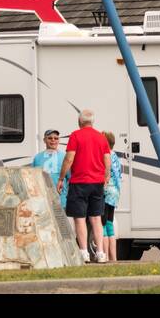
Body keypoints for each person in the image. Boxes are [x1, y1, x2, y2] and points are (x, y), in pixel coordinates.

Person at [57, 109, 111, 264]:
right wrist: (105, 177)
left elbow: (69, 158)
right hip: (97, 183)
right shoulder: (101, 138)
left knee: (79, 218)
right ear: (92, 122)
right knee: (96, 218)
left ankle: (84, 252)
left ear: (79, 122)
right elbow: (107, 160)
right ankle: (100, 253)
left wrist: (61, 178)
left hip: (79, 182)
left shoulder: (75, 136)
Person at [32, 129, 69, 209]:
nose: (53, 140)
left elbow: (70, 178)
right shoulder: (37, 157)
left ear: (59, 140)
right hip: (42, 201)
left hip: (60, 200)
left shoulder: (65, 157)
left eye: (56, 138)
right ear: (44, 140)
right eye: (50, 138)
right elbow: (32, 178)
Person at [99, 132, 122, 262]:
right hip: (115, 193)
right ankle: (114, 258)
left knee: (102, 225)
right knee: (109, 224)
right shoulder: (116, 157)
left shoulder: (105, 156)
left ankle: (106, 256)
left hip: (106, 191)